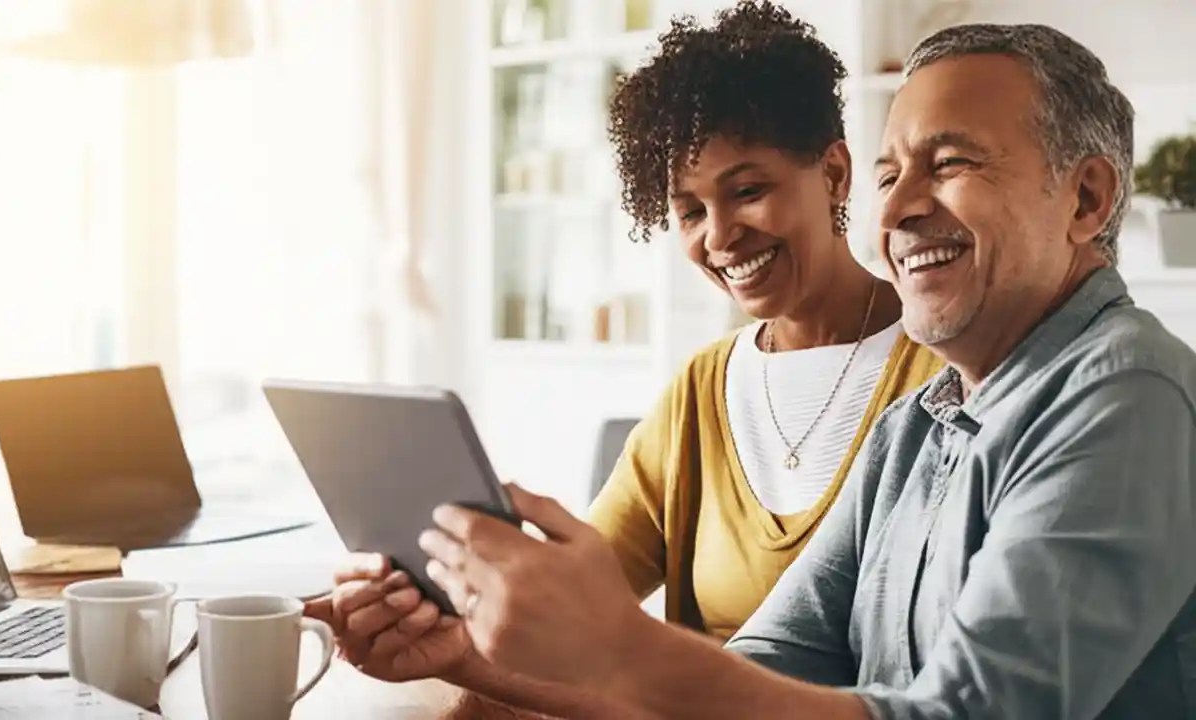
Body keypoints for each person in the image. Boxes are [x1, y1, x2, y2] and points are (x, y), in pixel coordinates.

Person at [405, 21, 1196, 719]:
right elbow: (757, 670)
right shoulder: (916, 427)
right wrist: (466, 664)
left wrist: (616, 644)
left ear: (1086, 200)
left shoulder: (1125, 395)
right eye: (891, 176)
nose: (895, 211)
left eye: (948, 163)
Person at [306, 2, 939, 707]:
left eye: (748, 191)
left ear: (834, 174)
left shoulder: (944, 376)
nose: (721, 237)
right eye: (691, 211)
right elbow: (569, 633)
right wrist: (456, 646)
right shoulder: (699, 394)